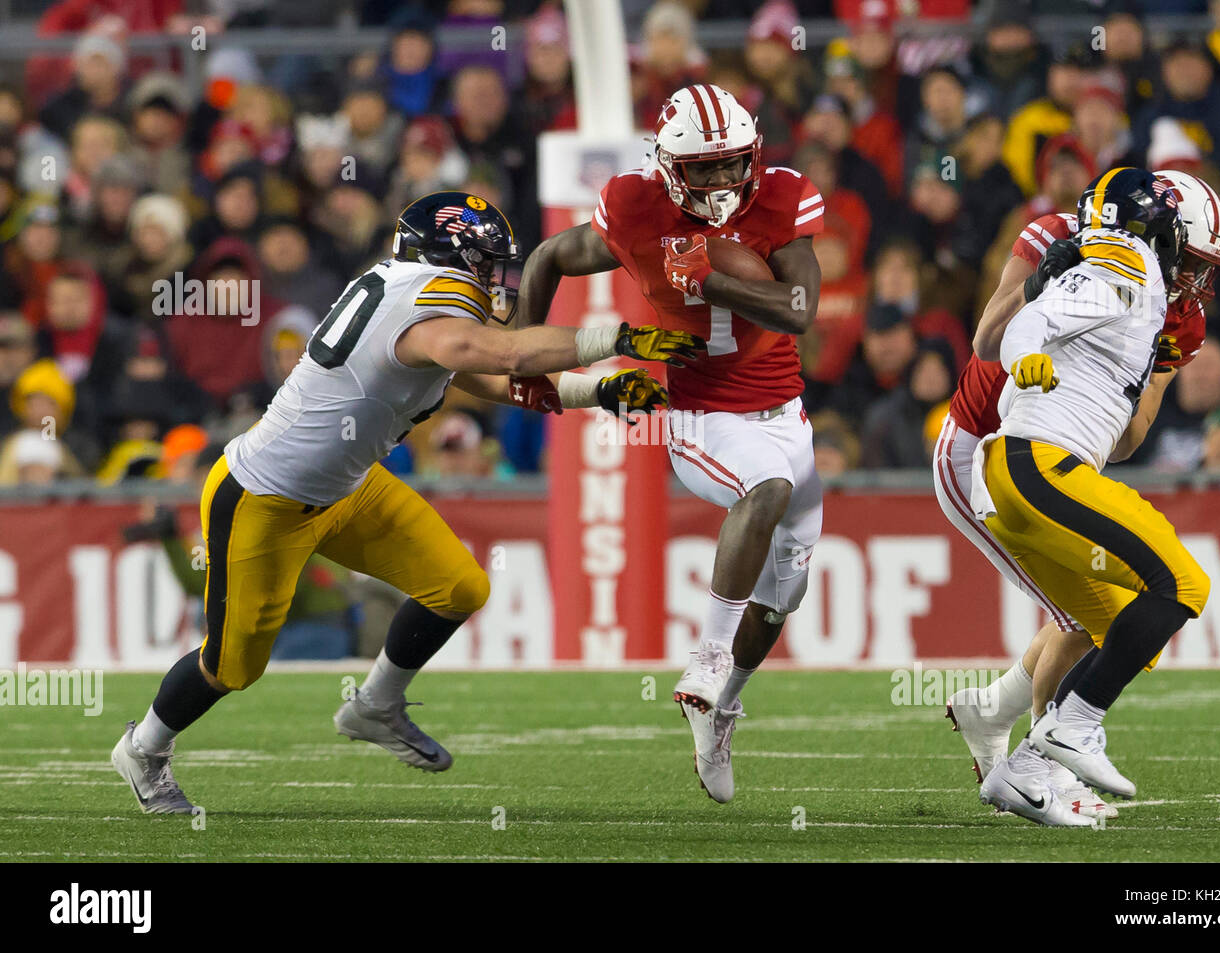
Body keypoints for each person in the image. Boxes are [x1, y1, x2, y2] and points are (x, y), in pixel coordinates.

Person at [111, 191, 700, 814]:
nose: (490, 275)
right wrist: (619, 336)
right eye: (482, 260)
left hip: (349, 485)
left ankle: (375, 705)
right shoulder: (429, 295)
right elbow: (487, 353)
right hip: (265, 497)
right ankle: (143, 748)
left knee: (458, 587)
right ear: (448, 253)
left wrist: (596, 390)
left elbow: (467, 372)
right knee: (231, 666)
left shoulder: (409, 295)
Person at [517, 84, 823, 804]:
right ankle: (707, 657)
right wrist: (528, 359)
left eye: (731, 166)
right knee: (766, 491)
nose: (721, 183)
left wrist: (711, 281)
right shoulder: (633, 205)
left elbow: (801, 309)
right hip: (702, 416)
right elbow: (548, 257)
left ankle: (723, 709)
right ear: (667, 164)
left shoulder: (780, 197)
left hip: (788, 414)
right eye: (706, 169)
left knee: (783, 597)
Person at [938, 169, 1220, 825]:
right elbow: (991, 340)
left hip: (1059, 462)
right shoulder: (1082, 250)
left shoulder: (1166, 309)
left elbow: (1127, 440)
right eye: (1195, 262)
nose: (1198, 283)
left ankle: (1003, 720)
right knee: (1130, 606)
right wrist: (1048, 294)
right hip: (983, 445)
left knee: (1126, 625)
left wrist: (1126, 363)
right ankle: (1051, 760)